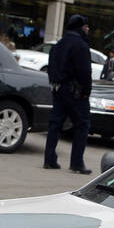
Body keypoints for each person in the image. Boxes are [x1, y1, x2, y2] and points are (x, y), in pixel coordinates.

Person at [43, 14, 93, 174]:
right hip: (75, 92)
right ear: (80, 27)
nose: (88, 29)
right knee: (82, 125)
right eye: (86, 26)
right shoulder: (81, 45)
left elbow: (50, 67)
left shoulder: (58, 44)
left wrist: (54, 84)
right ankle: (77, 163)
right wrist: (86, 91)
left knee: (55, 124)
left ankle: (49, 160)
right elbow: (85, 72)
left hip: (58, 89)